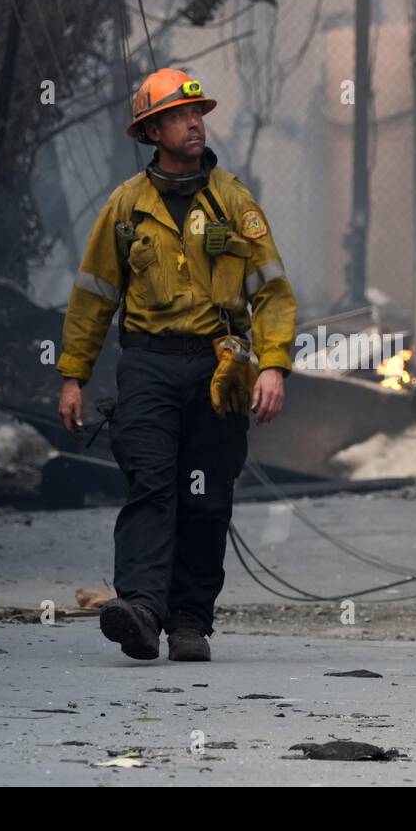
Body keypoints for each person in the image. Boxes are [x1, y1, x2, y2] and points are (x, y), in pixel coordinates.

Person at [57, 68, 297, 662]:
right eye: (180, 115)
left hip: (218, 370)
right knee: (152, 484)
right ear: (153, 130)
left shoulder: (234, 201)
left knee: (206, 494)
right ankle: (140, 609)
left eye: (198, 113)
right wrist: (73, 375)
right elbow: (93, 295)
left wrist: (272, 365)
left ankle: (190, 620)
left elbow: (271, 292)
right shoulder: (126, 208)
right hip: (148, 366)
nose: (195, 122)